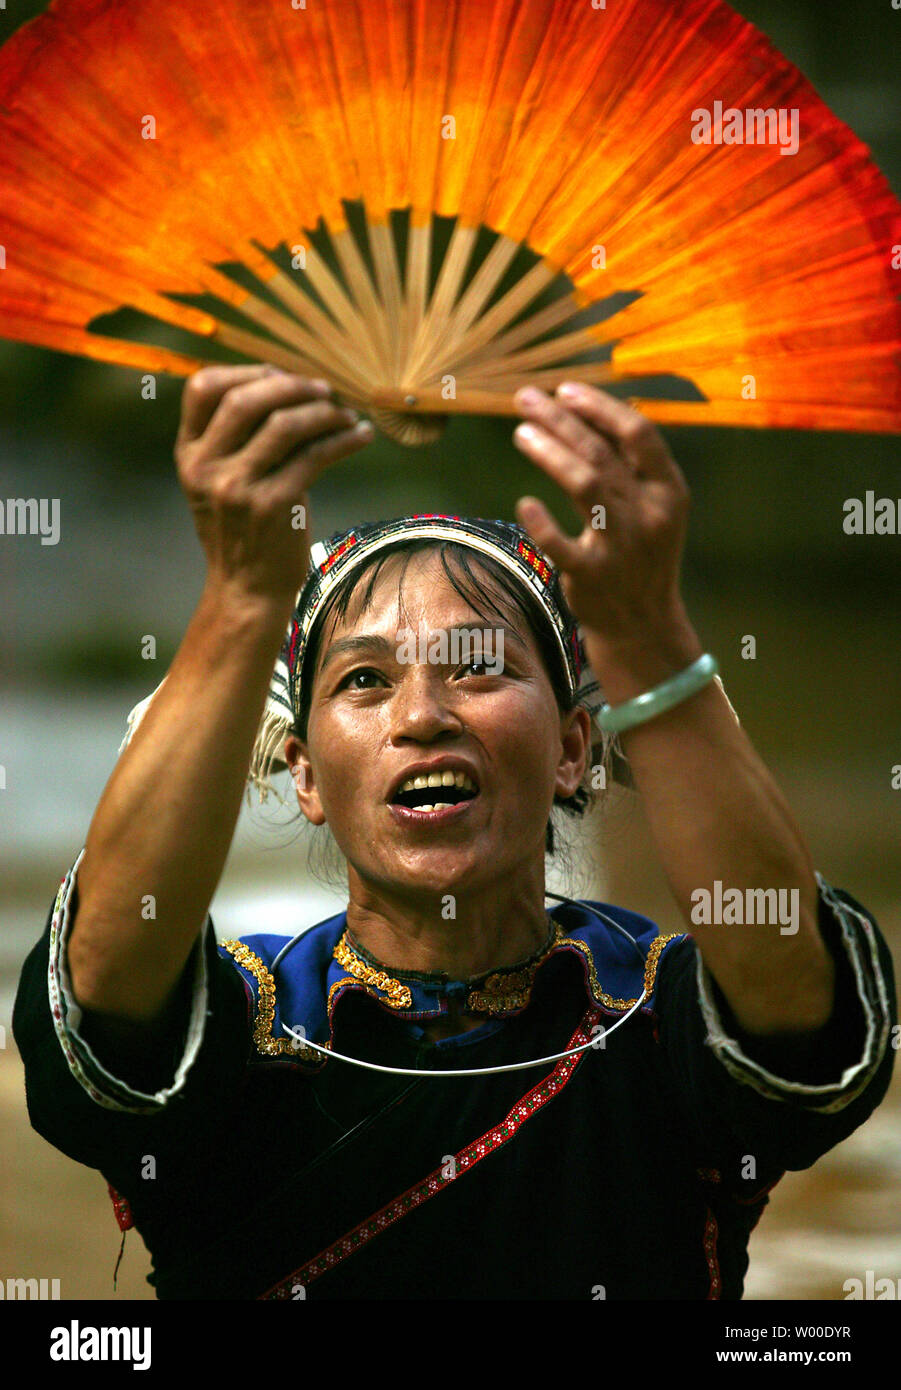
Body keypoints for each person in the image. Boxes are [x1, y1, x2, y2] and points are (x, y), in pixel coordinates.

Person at [13, 367, 896, 1299]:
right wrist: (238, 599)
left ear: (569, 748)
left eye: (478, 667)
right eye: (362, 681)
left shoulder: (655, 1018)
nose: (422, 715)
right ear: (305, 776)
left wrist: (646, 633)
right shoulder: (242, 1037)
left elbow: (798, 1010)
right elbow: (102, 984)